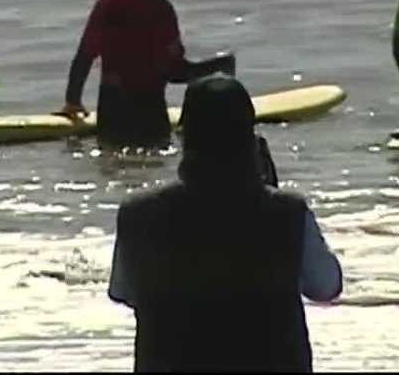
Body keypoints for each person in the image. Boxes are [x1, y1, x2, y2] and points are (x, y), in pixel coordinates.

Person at [108, 74, 343, 372]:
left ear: (185, 138)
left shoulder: (137, 214)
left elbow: (124, 292)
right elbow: (327, 286)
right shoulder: (287, 212)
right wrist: (269, 189)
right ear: (250, 138)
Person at [61, 0, 236, 148]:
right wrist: (219, 67)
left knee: (114, 165)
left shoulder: (110, 2)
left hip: (112, 113)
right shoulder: (162, 11)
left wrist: (73, 102)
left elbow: (84, 57)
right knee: (151, 169)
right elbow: (176, 72)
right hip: (149, 114)